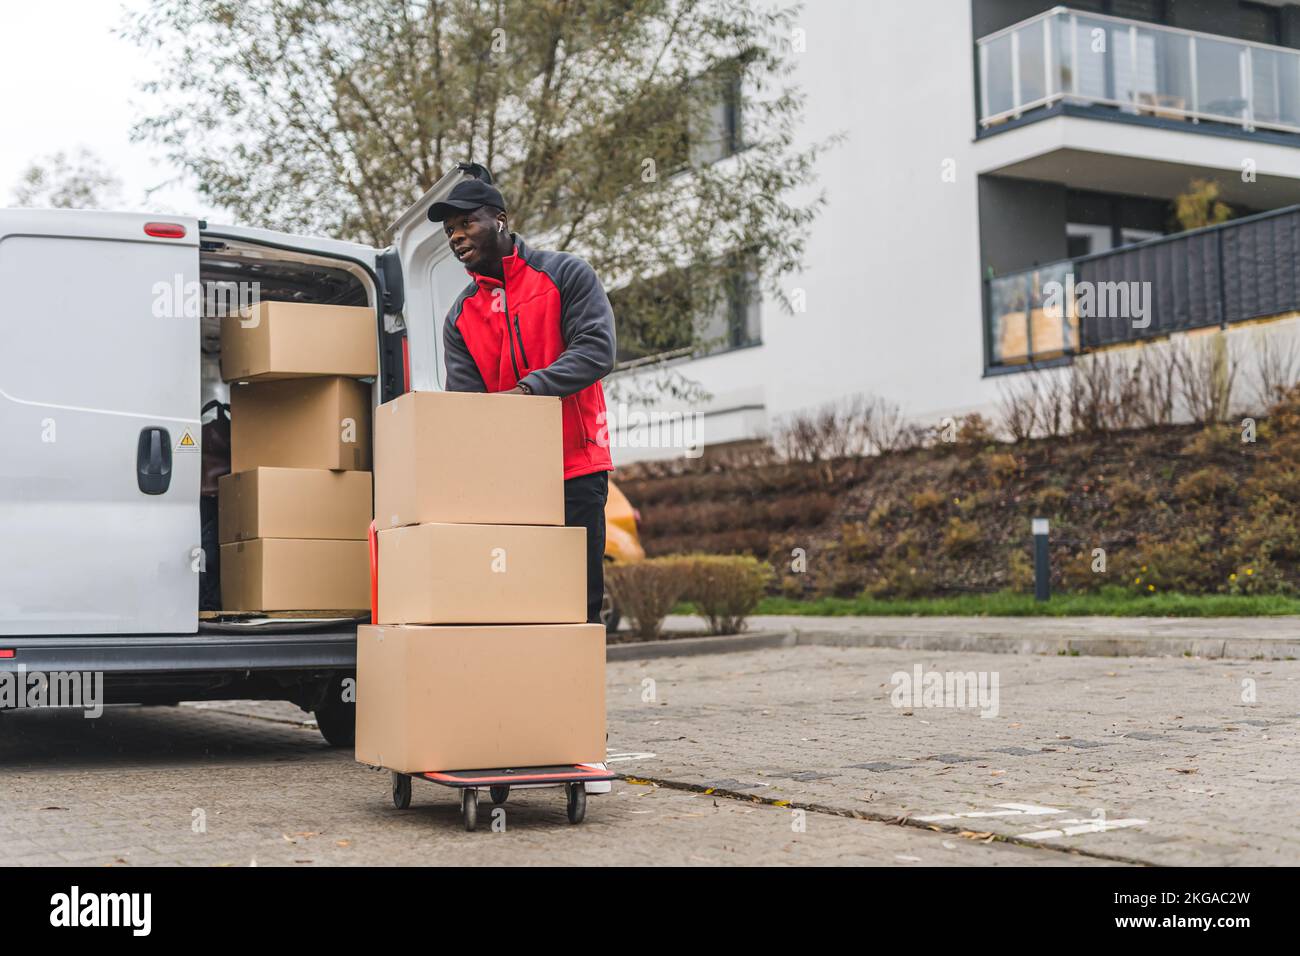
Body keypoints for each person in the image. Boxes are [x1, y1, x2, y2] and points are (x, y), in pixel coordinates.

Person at [430, 178, 616, 626]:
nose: (456, 237)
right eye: (449, 231)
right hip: (507, 483)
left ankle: (573, 694)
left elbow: (596, 349)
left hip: (575, 467)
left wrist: (527, 392)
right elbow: (468, 407)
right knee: (516, 600)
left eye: (466, 223)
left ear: (500, 220)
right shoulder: (459, 317)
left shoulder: (566, 274)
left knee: (577, 602)